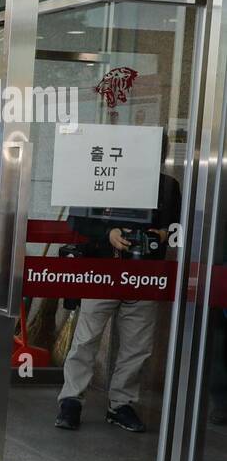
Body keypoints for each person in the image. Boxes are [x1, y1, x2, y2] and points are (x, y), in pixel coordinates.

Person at [54, 140, 181, 433]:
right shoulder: (104, 176)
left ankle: (121, 404)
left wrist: (162, 234)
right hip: (104, 270)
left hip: (145, 274)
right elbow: (77, 221)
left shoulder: (167, 186)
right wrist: (108, 232)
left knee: (138, 345)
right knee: (86, 339)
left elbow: (178, 225)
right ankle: (71, 399)